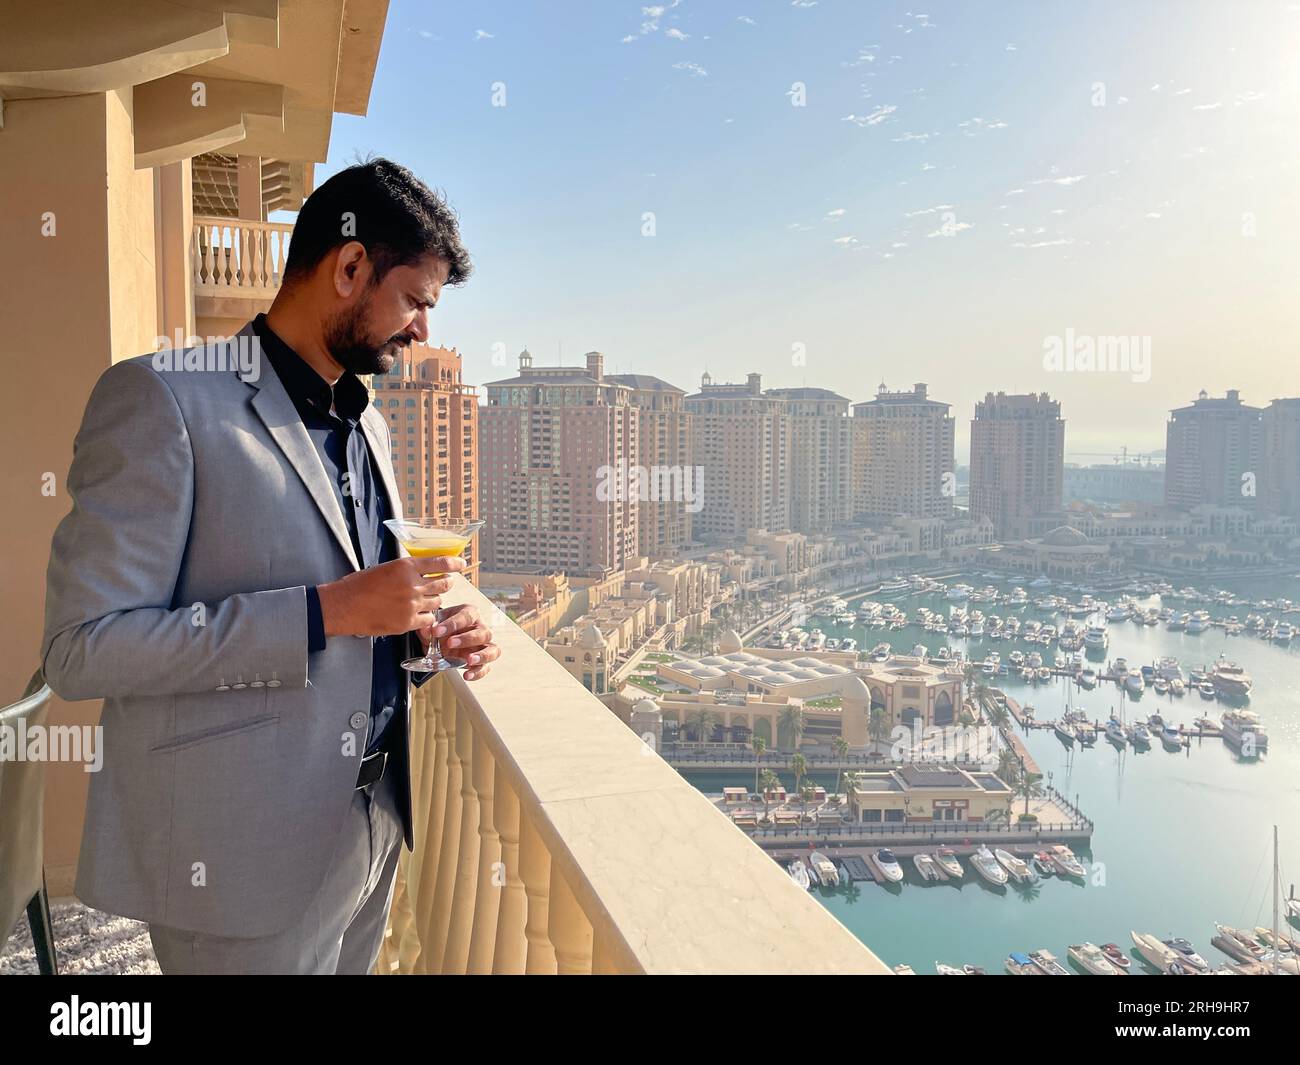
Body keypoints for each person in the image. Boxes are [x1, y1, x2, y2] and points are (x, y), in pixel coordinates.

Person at [41, 158, 500, 974]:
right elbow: (84, 647)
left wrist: (426, 632)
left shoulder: (369, 425)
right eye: (415, 302)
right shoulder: (161, 399)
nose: (423, 330)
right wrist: (327, 612)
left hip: (373, 829)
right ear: (350, 267)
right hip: (237, 857)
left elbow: (367, 608)